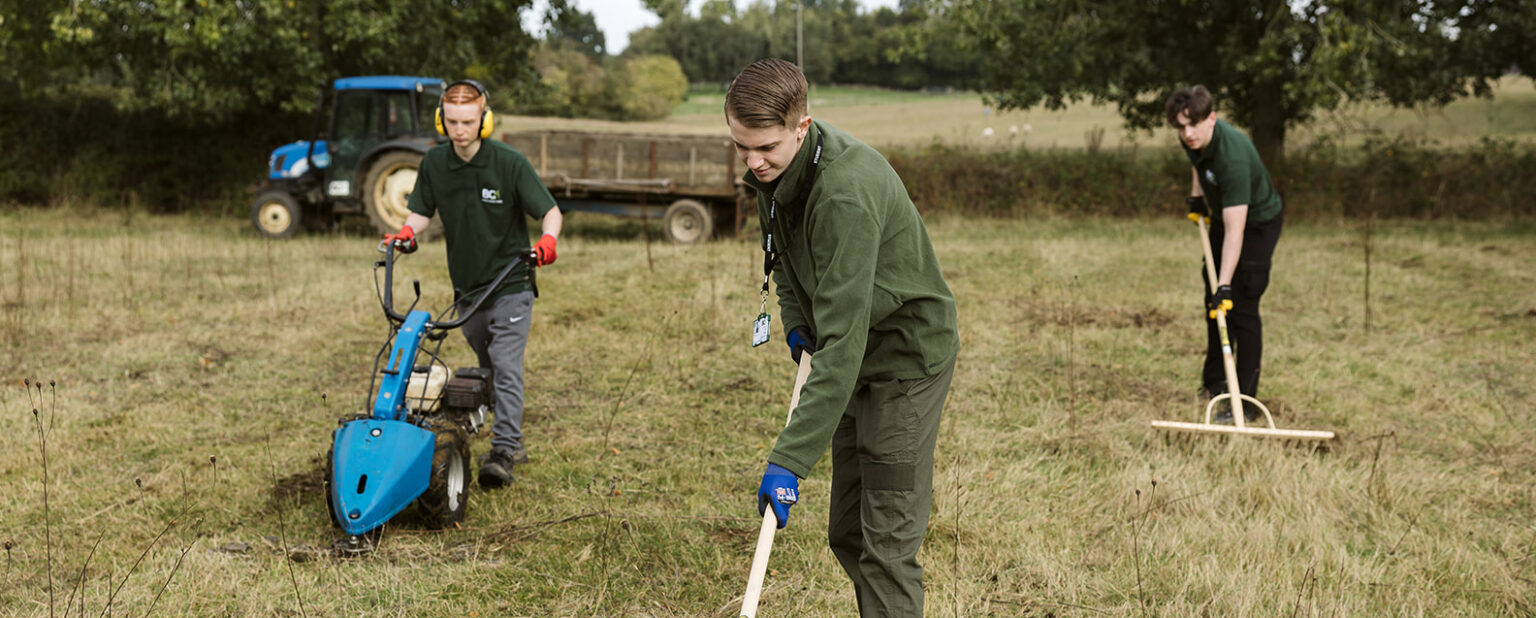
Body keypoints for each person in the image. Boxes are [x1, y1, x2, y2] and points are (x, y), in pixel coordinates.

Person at [729, 58, 959, 617]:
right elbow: (779, 258)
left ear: (802, 126)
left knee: (886, 547)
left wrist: (789, 461)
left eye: (767, 148)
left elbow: (845, 344)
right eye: (741, 147)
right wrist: (795, 321)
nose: (754, 162)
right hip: (850, 348)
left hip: (903, 360)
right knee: (849, 534)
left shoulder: (844, 195)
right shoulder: (777, 174)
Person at [383, 79, 563, 488]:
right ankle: (497, 424)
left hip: (511, 282)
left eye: (468, 121)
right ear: (441, 121)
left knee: (504, 365)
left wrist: (548, 240)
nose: (459, 130)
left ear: (484, 120)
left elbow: (550, 211)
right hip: (467, 289)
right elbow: (421, 213)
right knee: (486, 367)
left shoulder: (508, 163)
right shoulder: (434, 165)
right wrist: (407, 234)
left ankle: (504, 451)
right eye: (452, 121)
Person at [1166, 85, 1284, 424]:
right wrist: (1196, 197)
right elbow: (1198, 162)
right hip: (1223, 216)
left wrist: (1227, 284)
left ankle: (1244, 401)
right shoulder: (1191, 137)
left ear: (1211, 118)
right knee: (1212, 299)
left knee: (1241, 304)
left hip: (1255, 224)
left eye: (1194, 125)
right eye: (1181, 126)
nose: (1187, 133)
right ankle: (1215, 382)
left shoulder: (1232, 158)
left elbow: (1237, 229)